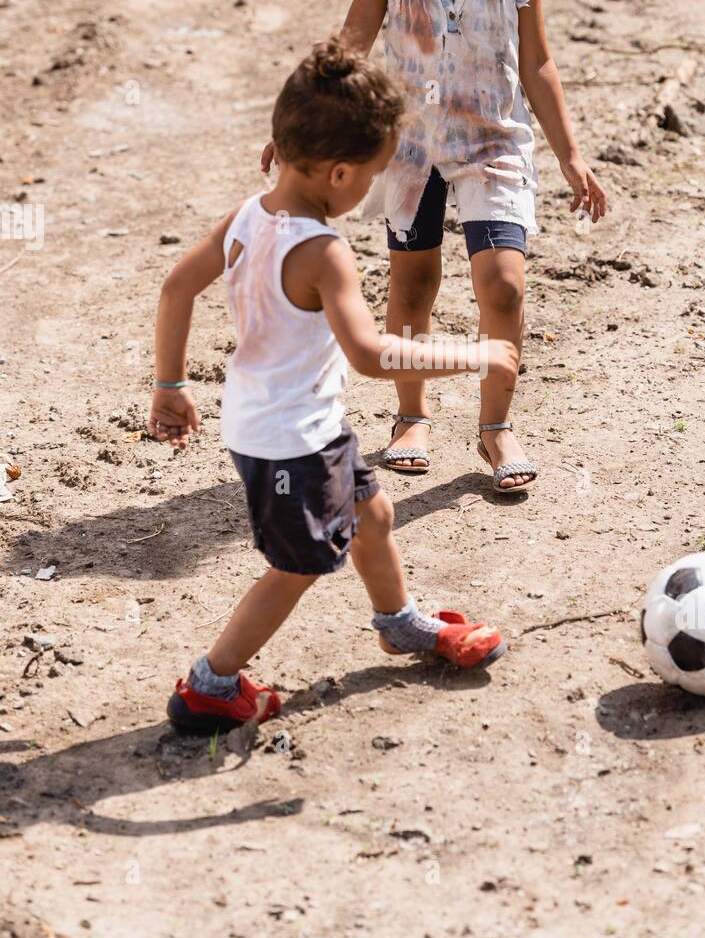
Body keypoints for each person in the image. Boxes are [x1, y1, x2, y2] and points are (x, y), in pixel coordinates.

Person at [149, 39, 518, 733]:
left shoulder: (248, 214)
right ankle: (209, 684)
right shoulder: (322, 251)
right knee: (297, 566)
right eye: (373, 177)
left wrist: (169, 383)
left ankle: (398, 622)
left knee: (372, 516)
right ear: (340, 173)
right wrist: (471, 355)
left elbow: (176, 286)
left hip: (288, 425)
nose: (372, 191)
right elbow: (371, 354)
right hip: (291, 444)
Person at [262, 0, 609, 492]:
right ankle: (409, 415)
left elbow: (537, 63)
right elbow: (350, 44)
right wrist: (298, 122)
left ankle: (495, 429)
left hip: (492, 144)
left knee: (503, 287)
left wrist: (571, 154)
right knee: (412, 282)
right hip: (409, 147)